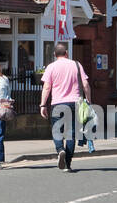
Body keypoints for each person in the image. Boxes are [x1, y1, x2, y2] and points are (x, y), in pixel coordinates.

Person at [39, 43, 91, 172]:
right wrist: (89, 101)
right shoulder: (77, 65)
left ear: (54, 54)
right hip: (75, 103)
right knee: (71, 134)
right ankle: (67, 163)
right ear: (66, 53)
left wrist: (43, 104)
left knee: (57, 131)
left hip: (57, 103)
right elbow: (85, 84)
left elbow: (46, 87)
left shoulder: (51, 67)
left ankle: (60, 150)